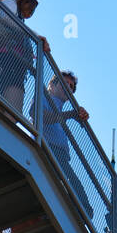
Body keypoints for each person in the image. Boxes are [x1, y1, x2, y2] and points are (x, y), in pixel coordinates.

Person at [37, 70, 94, 218]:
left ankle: (78, 214)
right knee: (70, 189)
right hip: (46, 148)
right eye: (64, 83)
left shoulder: (62, 109)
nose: (68, 87)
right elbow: (40, 115)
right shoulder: (44, 96)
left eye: (71, 86)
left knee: (76, 193)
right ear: (52, 85)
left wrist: (78, 116)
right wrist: (70, 115)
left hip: (60, 154)